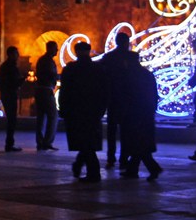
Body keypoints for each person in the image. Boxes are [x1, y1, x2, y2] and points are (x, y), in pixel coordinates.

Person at [58, 42, 108, 182]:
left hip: (76, 111)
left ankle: (92, 172)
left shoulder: (71, 69)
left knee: (84, 141)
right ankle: (80, 165)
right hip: (93, 111)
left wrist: (63, 108)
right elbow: (104, 91)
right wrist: (102, 108)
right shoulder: (97, 69)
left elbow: (65, 91)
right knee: (88, 140)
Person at [97, 31, 138, 168]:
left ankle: (111, 157)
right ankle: (124, 157)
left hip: (113, 97)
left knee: (112, 130)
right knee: (126, 130)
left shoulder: (108, 57)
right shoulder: (132, 57)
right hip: (127, 99)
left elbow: (102, 77)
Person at [121, 59, 163, 181]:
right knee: (140, 144)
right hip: (146, 113)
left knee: (138, 144)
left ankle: (153, 168)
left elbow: (129, 95)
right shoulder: (146, 74)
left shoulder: (131, 76)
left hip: (136, 114)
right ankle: (132, 170)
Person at [0, 46, 26, 152]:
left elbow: (0, 82)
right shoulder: (10, 67)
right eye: (16, 53)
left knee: (11, 120)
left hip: (7, 95)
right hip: (10, 95)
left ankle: (9, 143)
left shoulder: (5, 66)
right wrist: (22, 80)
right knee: (12, 120)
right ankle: (9, 144)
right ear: (11, 54)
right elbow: (13, 82)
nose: (18, 56)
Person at [34, 41, 60, 151]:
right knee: (53, 116)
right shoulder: (48, 61)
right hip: (46, 90)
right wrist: (59, 76)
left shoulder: (42, 60)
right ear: (50, 49)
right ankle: (47, 141)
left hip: (40, 90)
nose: (57, 50)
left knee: (41, 117)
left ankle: (40, 142)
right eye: (55, 48)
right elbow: (51, 75)